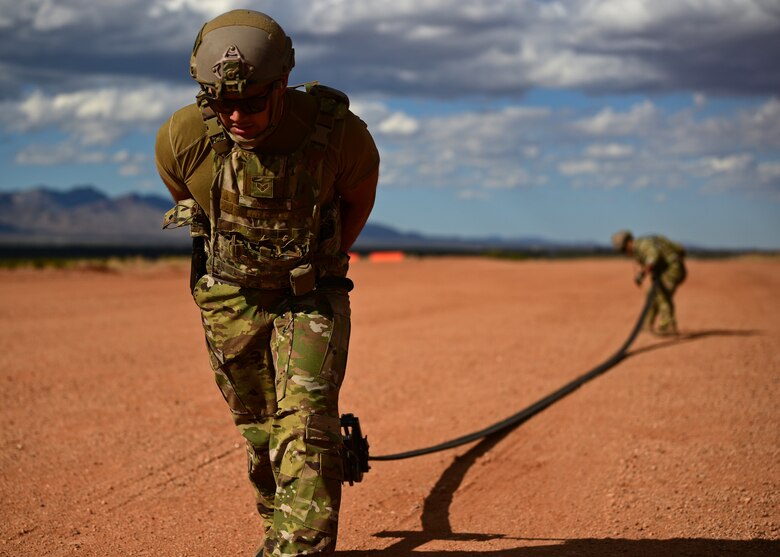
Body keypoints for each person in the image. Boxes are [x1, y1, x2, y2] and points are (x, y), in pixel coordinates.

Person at [155, 9, 380, 556]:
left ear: (282, 83)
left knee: (304, 422)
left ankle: (297, 549)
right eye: (221, 102)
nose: (237, 115)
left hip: (310, 296)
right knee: (260, 432)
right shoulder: (183, 136)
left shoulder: (338, 134)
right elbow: (192, 201)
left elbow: (358, 200)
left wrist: (320, 263)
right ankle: (280, 530)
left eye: (253, 101)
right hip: (231, 299)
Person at [611, 230, 687, 336]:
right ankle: (648, 323)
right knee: (651, 294)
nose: (625, 253)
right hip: (667, 270)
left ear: (628, 242)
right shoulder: (640, 247)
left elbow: (653, 257)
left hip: (672, 270)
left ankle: (668, 324)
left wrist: (643, 273)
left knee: (660, 294)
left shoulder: (643, 245)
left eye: (624, 249)